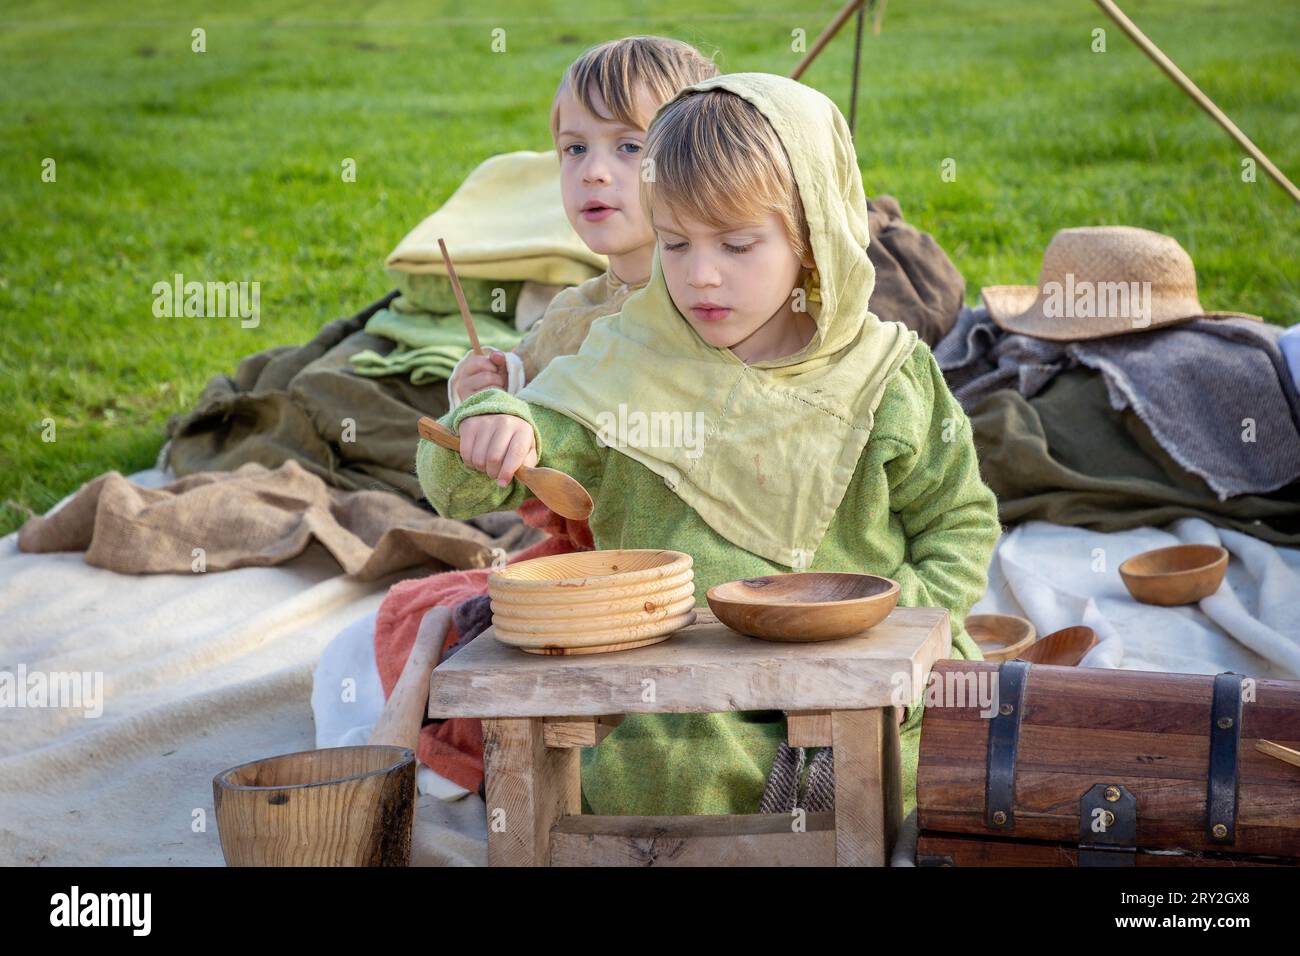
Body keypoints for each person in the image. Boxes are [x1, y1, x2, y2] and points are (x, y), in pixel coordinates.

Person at [418, 72, 1000, 818]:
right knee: (664, 775)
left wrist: (901, 622)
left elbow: (959, 522)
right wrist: (494, 420)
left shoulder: (886, 374)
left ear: (812, 239)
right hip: (688, 693)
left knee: (954, 756)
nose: (701, 275)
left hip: (865, 674)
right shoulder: (628, 360)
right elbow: (474, 485)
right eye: (675, 243)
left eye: (737, 244)